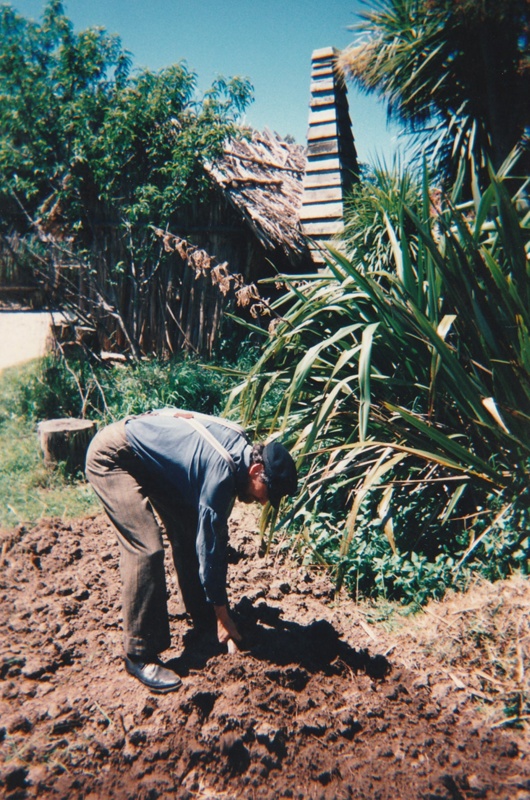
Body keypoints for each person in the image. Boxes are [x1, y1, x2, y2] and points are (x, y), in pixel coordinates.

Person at [85, 408, 298, 693]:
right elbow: (212, 548)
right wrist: (224, 616)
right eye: (266, 493)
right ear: (256, 471)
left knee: (188, 530)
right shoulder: (222, 473)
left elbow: (182, 415)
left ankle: (203, 620)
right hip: (114, 457)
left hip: (149, 459)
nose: (263, 502)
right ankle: (139, 653)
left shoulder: (240, 441)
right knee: (146, 547)